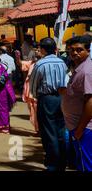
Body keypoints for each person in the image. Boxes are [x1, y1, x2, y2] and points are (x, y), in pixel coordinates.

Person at [29, 37, 68, 171]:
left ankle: (52, 162)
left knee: (48, 132)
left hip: (46, 99)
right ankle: (62, 161)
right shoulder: (62, 62)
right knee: (61, 130)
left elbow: (33, 85)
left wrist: (36, 96)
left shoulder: (40, 64)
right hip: (61, 97)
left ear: (43, 49)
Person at [61, 35, 92, 171]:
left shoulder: (86, 71)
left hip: (84, 129)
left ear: (88, 51)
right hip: (78, 127)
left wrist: (80, 129)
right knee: (81, 164)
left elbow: (90, 101)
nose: (74, 53)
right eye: (71, 50)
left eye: (79, 50)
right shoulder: (79, 68)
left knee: (86, 166)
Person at [21, 44, 41, 133]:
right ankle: (37, 129)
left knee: (38, 111)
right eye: (35, 50)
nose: (36, 51)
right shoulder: (32, 63)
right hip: (31, 92)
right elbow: (21, 63)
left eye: (38, 50)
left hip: (39, 92)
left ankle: (40, 129)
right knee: (33, 110)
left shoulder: (43, 63)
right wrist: (17, 58)